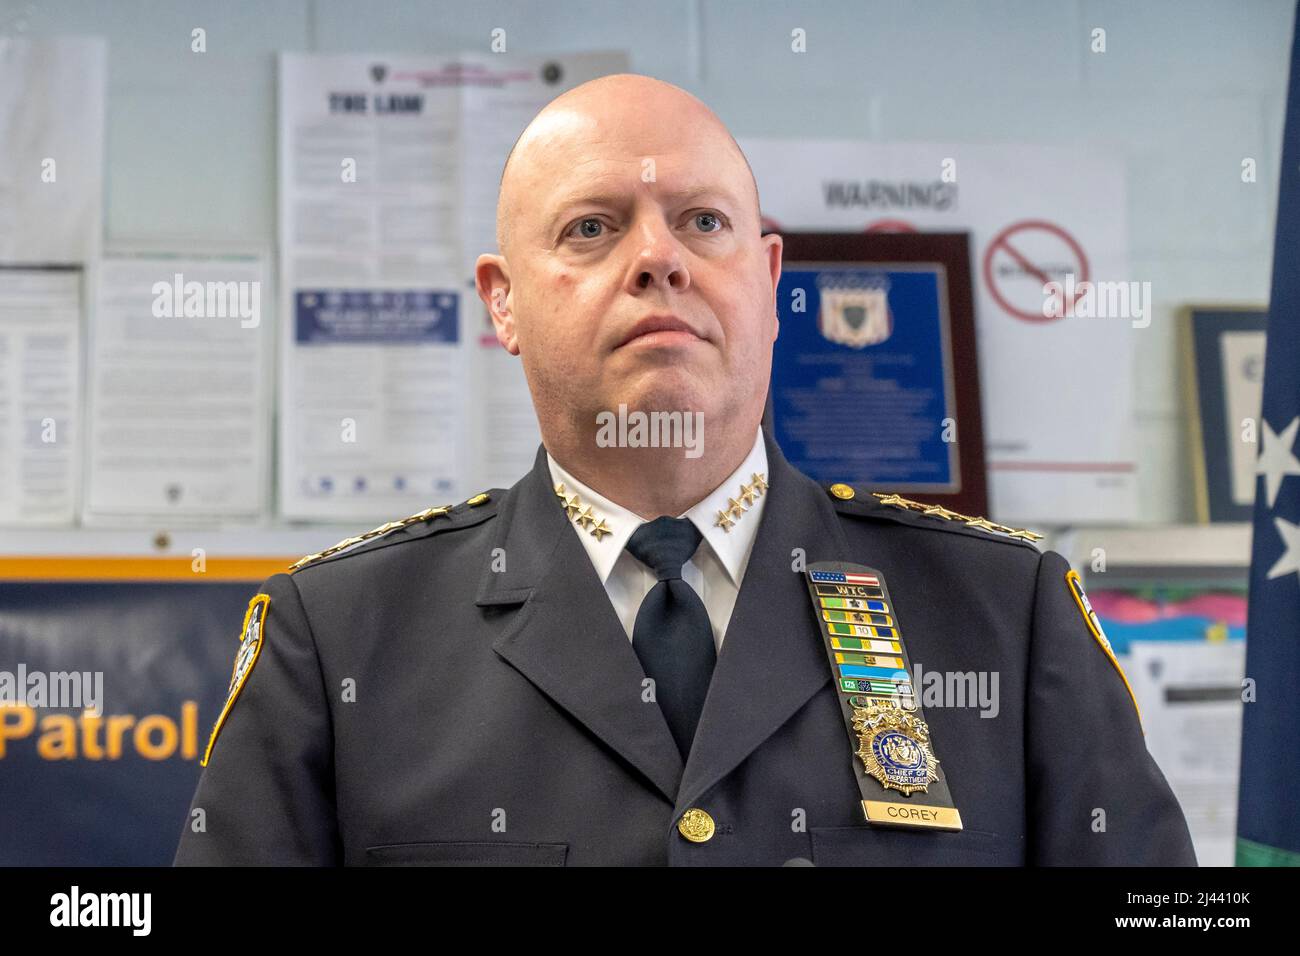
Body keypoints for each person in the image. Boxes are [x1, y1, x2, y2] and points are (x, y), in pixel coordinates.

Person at [174, 73, 1195, 866]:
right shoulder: (340, 637)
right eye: (592, 227)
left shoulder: (1005, 614)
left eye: (703, 222)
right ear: (503, 302)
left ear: (768, 273)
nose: (658, 259)